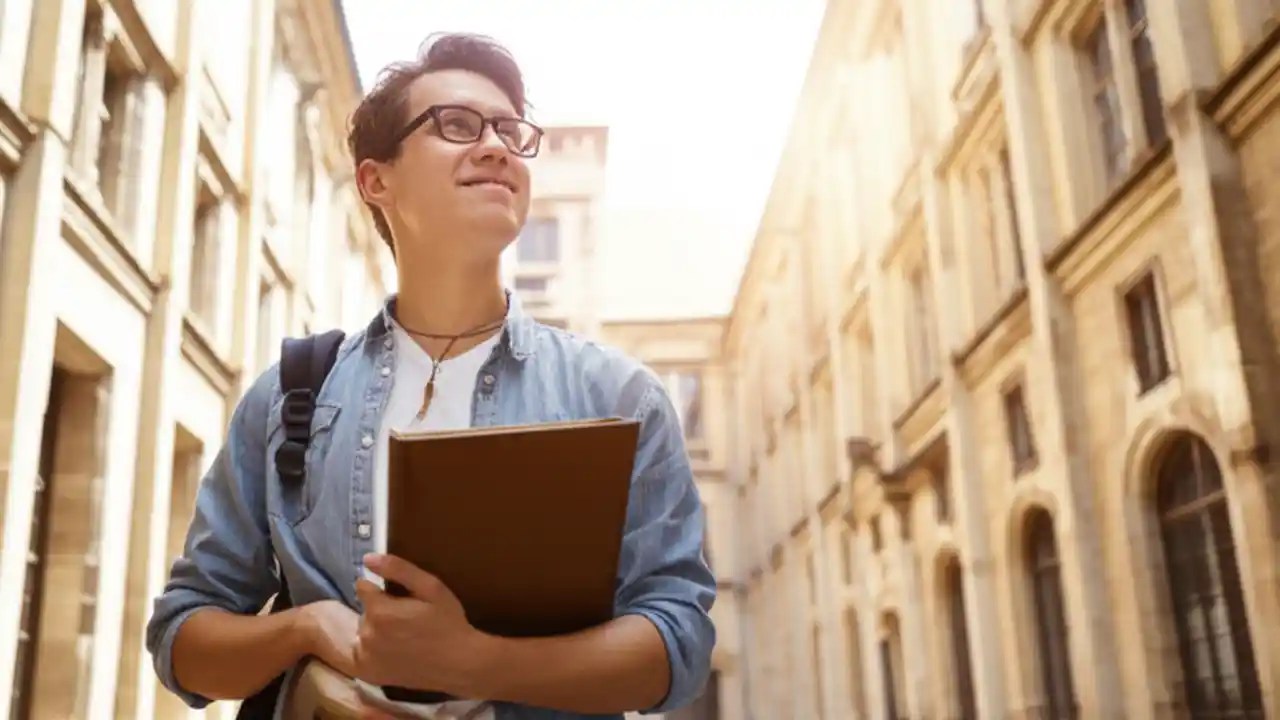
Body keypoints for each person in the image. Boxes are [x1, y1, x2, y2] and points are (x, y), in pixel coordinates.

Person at [145, 31, 716, 720]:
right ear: (374, 180)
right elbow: (182, 642)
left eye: (511, 129)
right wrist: (307, 626)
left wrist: (476, 661)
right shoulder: (292, 396)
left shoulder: (617, 398)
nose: (498, 145)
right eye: (456, 125)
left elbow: (677, 643)